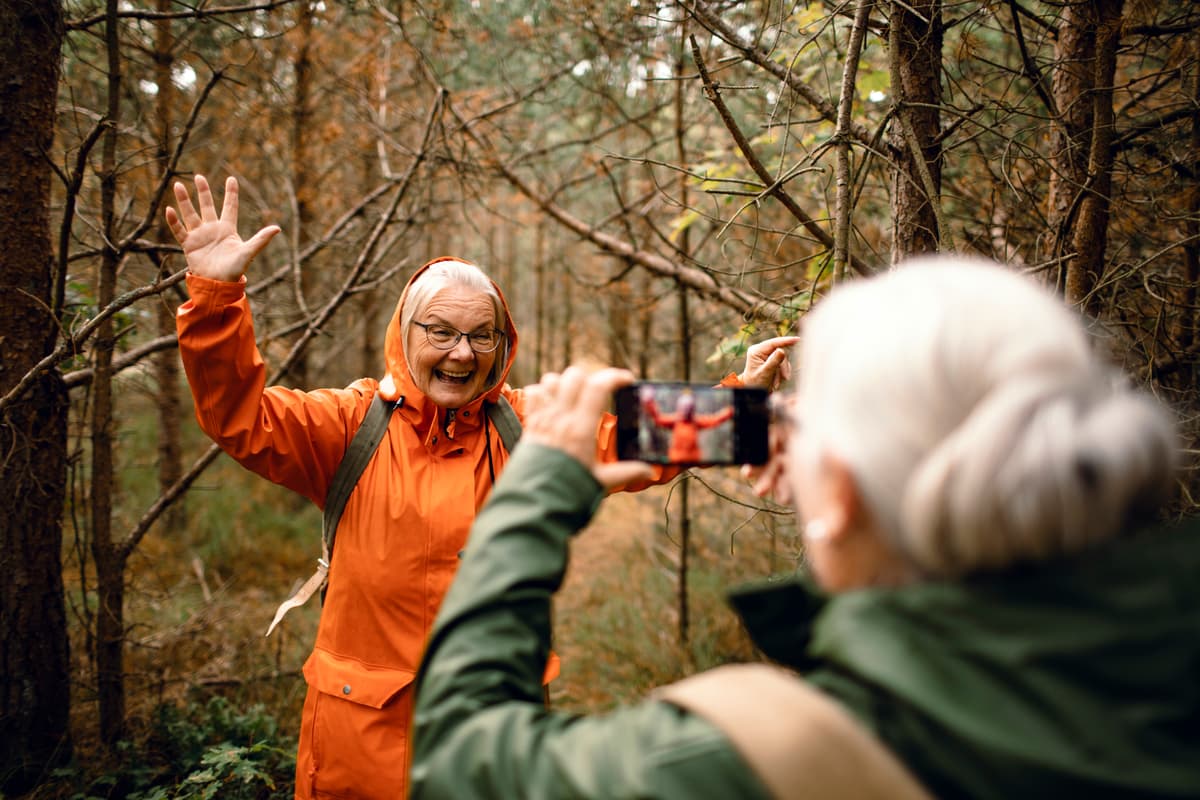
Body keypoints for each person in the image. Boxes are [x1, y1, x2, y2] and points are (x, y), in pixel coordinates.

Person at [409, 255, 1200, 799]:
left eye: (809, 421)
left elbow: (460, 764)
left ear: (847, 491)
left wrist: (534, 492)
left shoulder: (749, 758)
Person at [164, 173, 798, 800]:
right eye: (440, 331)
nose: (462, 353)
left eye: (480, 335)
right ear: (404, 335)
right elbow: (239, 417)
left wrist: (739, 402)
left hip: (493, 742)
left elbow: (632, 436)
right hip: (361, 744)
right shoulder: (347, 426)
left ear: (501, 344)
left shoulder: (525, 427)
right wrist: (216, 296)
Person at [639, 386, 734, 463]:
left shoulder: (695, 421)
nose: (685, 412)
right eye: (683, 409)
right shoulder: (676, 420)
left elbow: (715, 419)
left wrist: (731, 411)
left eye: (687, 409)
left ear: (692, 410)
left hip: (692, 460)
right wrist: (649, 402)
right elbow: (658, 419)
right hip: (676, 460)